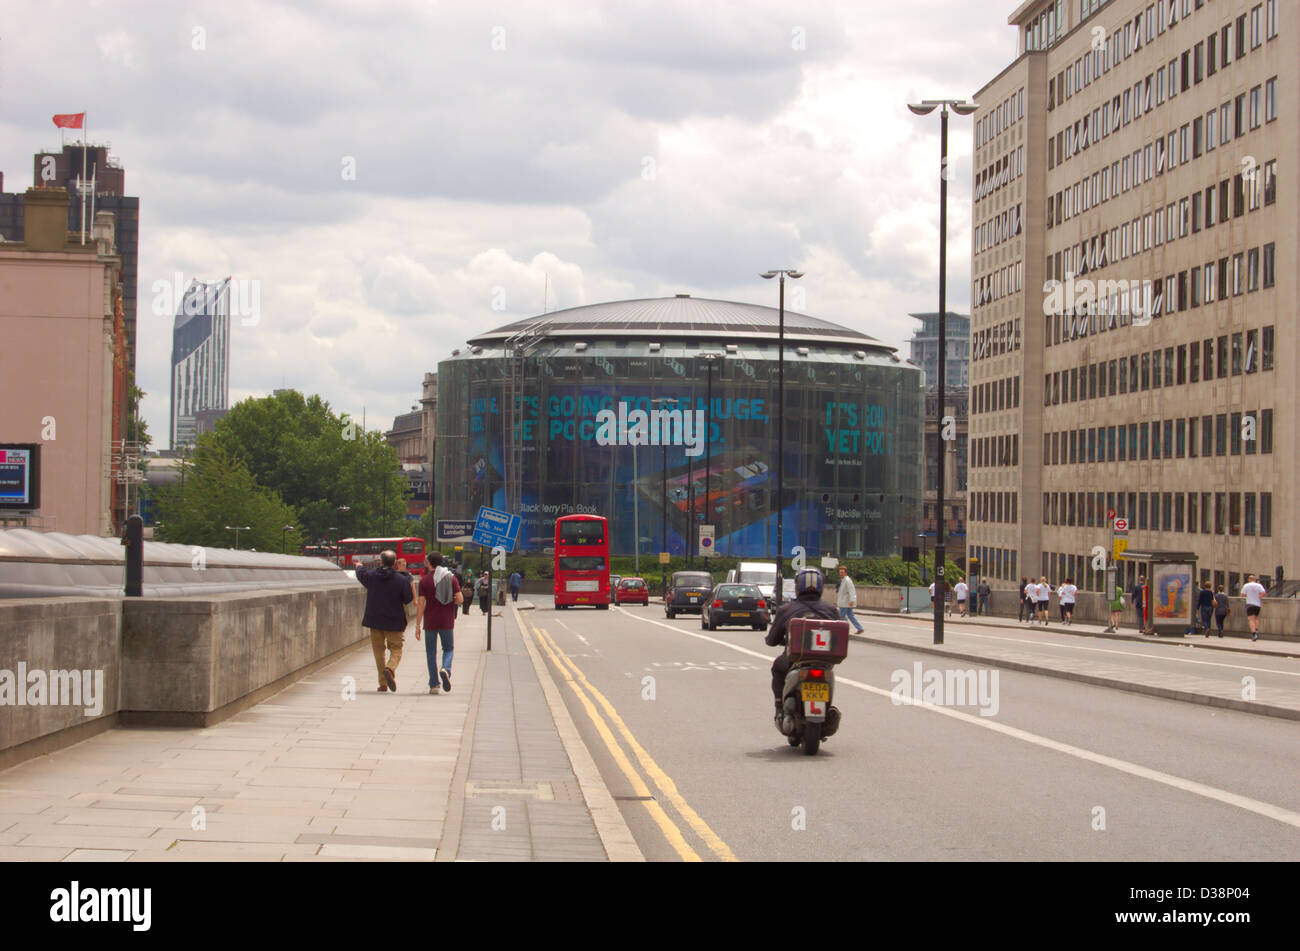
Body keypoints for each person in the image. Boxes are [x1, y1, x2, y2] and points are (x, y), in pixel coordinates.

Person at [765, 567, 839, 730]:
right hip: (824, 662)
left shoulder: (786, 610)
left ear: (798, 586)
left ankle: (779, 707)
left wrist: (774, 639)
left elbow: (772, 640)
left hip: (795, 661)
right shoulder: (831, 610)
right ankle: (828, 708)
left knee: (778, 668)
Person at [356, 550, 413, 692]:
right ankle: (390, 668)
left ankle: (383, 683)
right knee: (396, 649)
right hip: (394, 620)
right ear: (395, 563)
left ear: (381, 561)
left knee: (378, 651)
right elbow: (407, 598)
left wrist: (358, 566)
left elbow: (361, 575)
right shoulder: (401, 580)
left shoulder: (372, 577)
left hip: (374, 620)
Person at [416, 551, 462, 694]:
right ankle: (446, 669)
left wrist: (417, 625)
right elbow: (460, 600)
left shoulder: (424, 581)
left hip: (430, 620)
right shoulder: (451, 578)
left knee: (431, 652)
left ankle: (434, 684)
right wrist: (450, 599)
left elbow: (421, 605)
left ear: (429, 563)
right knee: (448, 649)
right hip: (446, 620)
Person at [835, 565, 864, 633]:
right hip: (845, 602)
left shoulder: (847, 580)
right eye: (840, 572)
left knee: (842, 616)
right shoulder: (843, 580)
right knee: (851, 616)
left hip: (845, 602)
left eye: (842, 572)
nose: (841, 574)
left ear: (846, 573)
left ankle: (844, 630)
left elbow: (852, 590)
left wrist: (852, 600)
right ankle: (860, 628)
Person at [1241, 574, 1266, 641]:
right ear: (1254, 580)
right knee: (1256, 618)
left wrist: (1248, 595)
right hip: (1257, 604)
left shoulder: (1246, 585)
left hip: (1250, 604)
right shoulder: (1259, 585)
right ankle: (1256, 629)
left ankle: (1254, 634)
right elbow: (1263, 592)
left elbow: (1243, 595)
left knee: (1251, 619)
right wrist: (1260, 597)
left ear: (1249, 579)